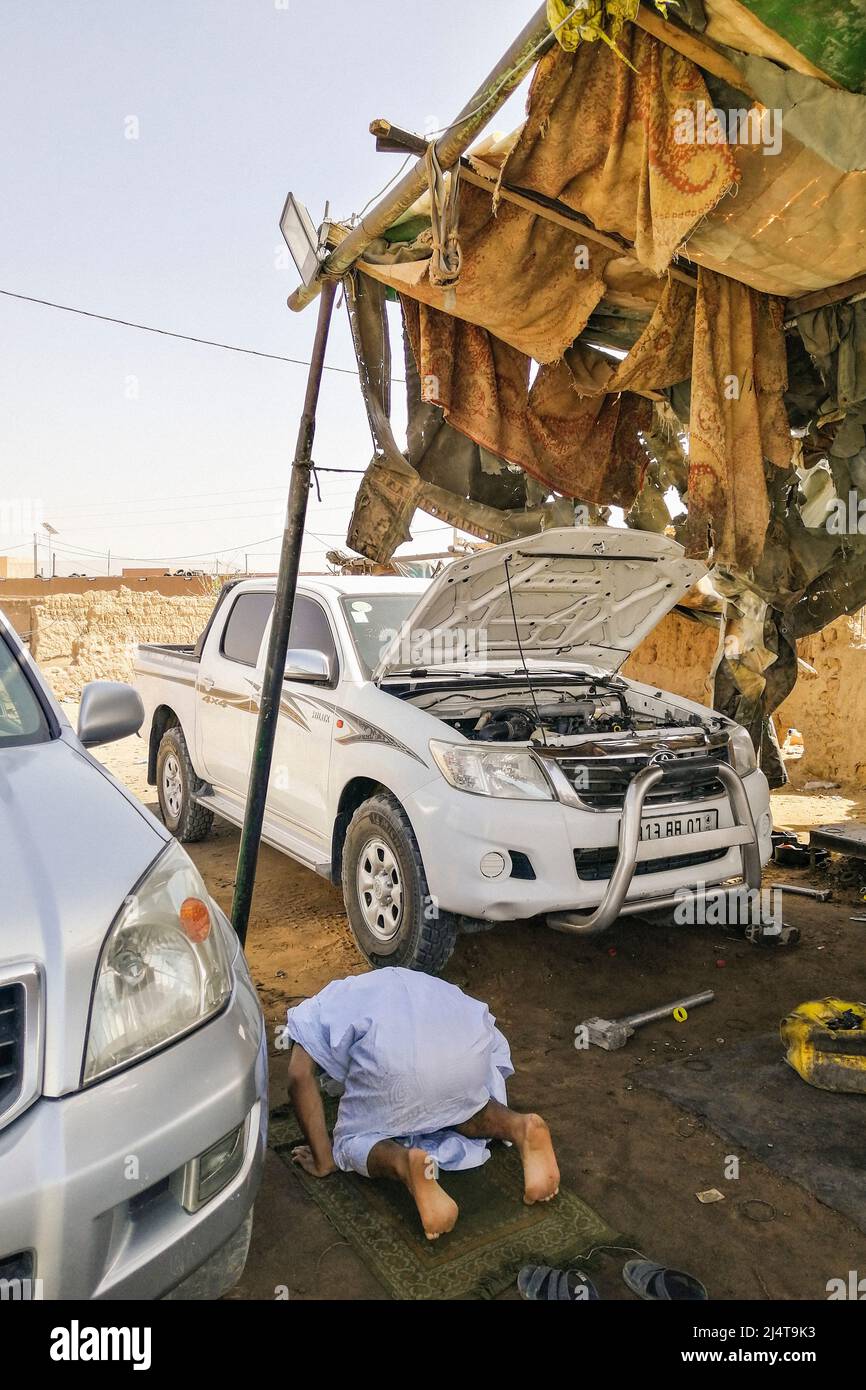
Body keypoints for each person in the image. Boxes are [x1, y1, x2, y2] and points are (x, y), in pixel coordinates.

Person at [285, 967, 560, 1239]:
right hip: (464, 1044)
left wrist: (324, 1159)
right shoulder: (404, 982)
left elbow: (299, 1076)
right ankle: (519, 1127)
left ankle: (405, 1164)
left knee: (352, 1141)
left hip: (399, 1066)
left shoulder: (310, 1013)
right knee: (465, 1106)